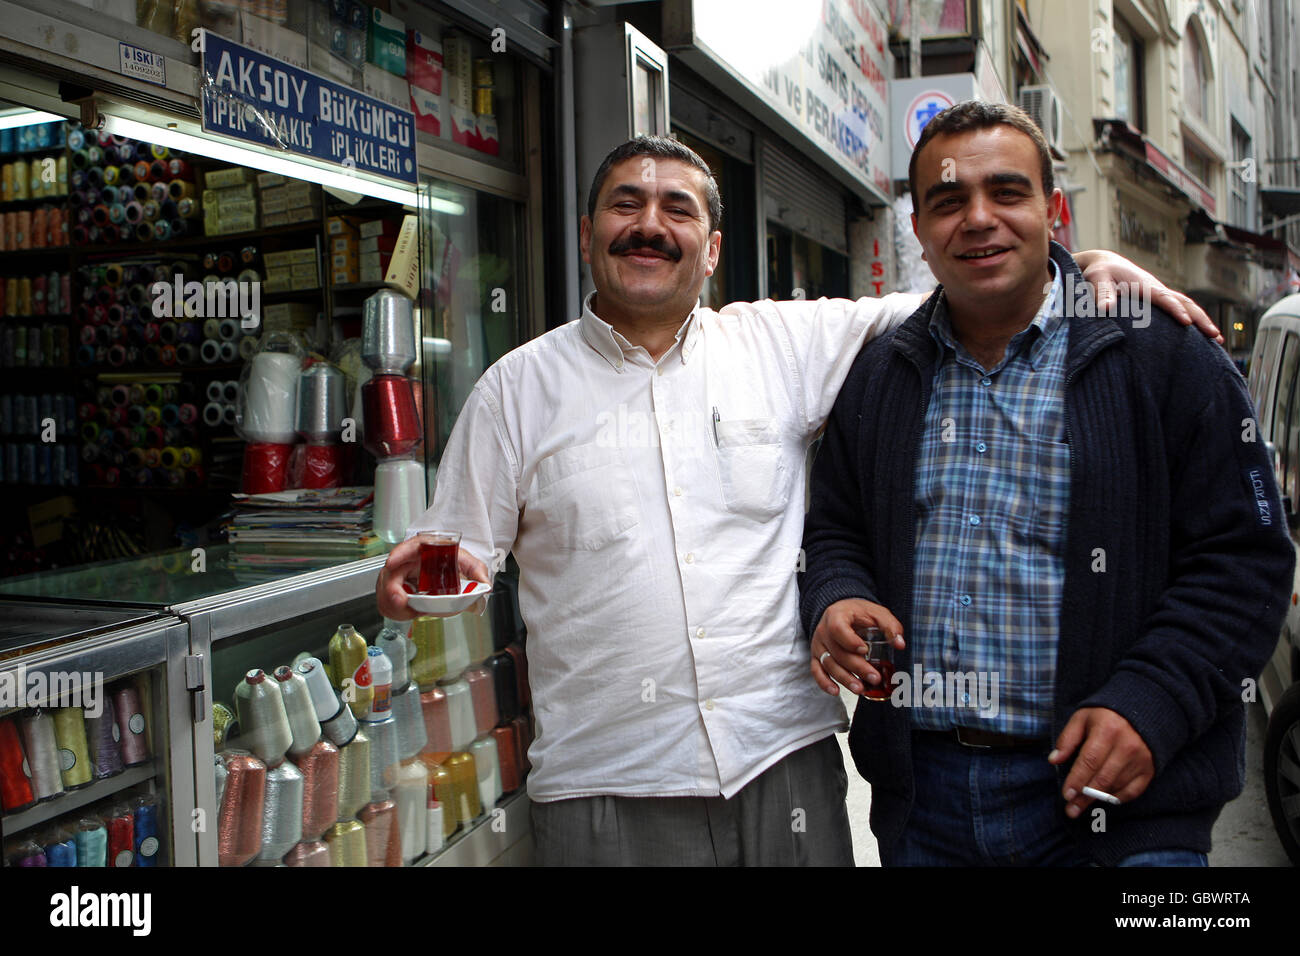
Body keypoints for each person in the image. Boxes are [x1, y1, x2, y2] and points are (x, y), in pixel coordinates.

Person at [377, 134, 1220, 866]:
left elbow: (970, 293)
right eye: (625, 204)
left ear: (710, 249)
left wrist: (1086, 270)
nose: (648, 225)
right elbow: (462, 557)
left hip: (784, 767)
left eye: (677, 209)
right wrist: (426, 582)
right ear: (589, 233)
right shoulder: (514, 391)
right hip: (609, 784)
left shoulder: (781, 342)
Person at [799, 101, 1294, 867]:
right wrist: (836, 592)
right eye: (949, 201)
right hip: (925, 806)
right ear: (921, 231)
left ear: (1054, 210)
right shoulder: (882, 372)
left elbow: (1245, 558)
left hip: (1120, 808)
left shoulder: (1160, 355)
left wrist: (1151, 703)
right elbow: (835, 525)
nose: (978, 219)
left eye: (1007, 192)